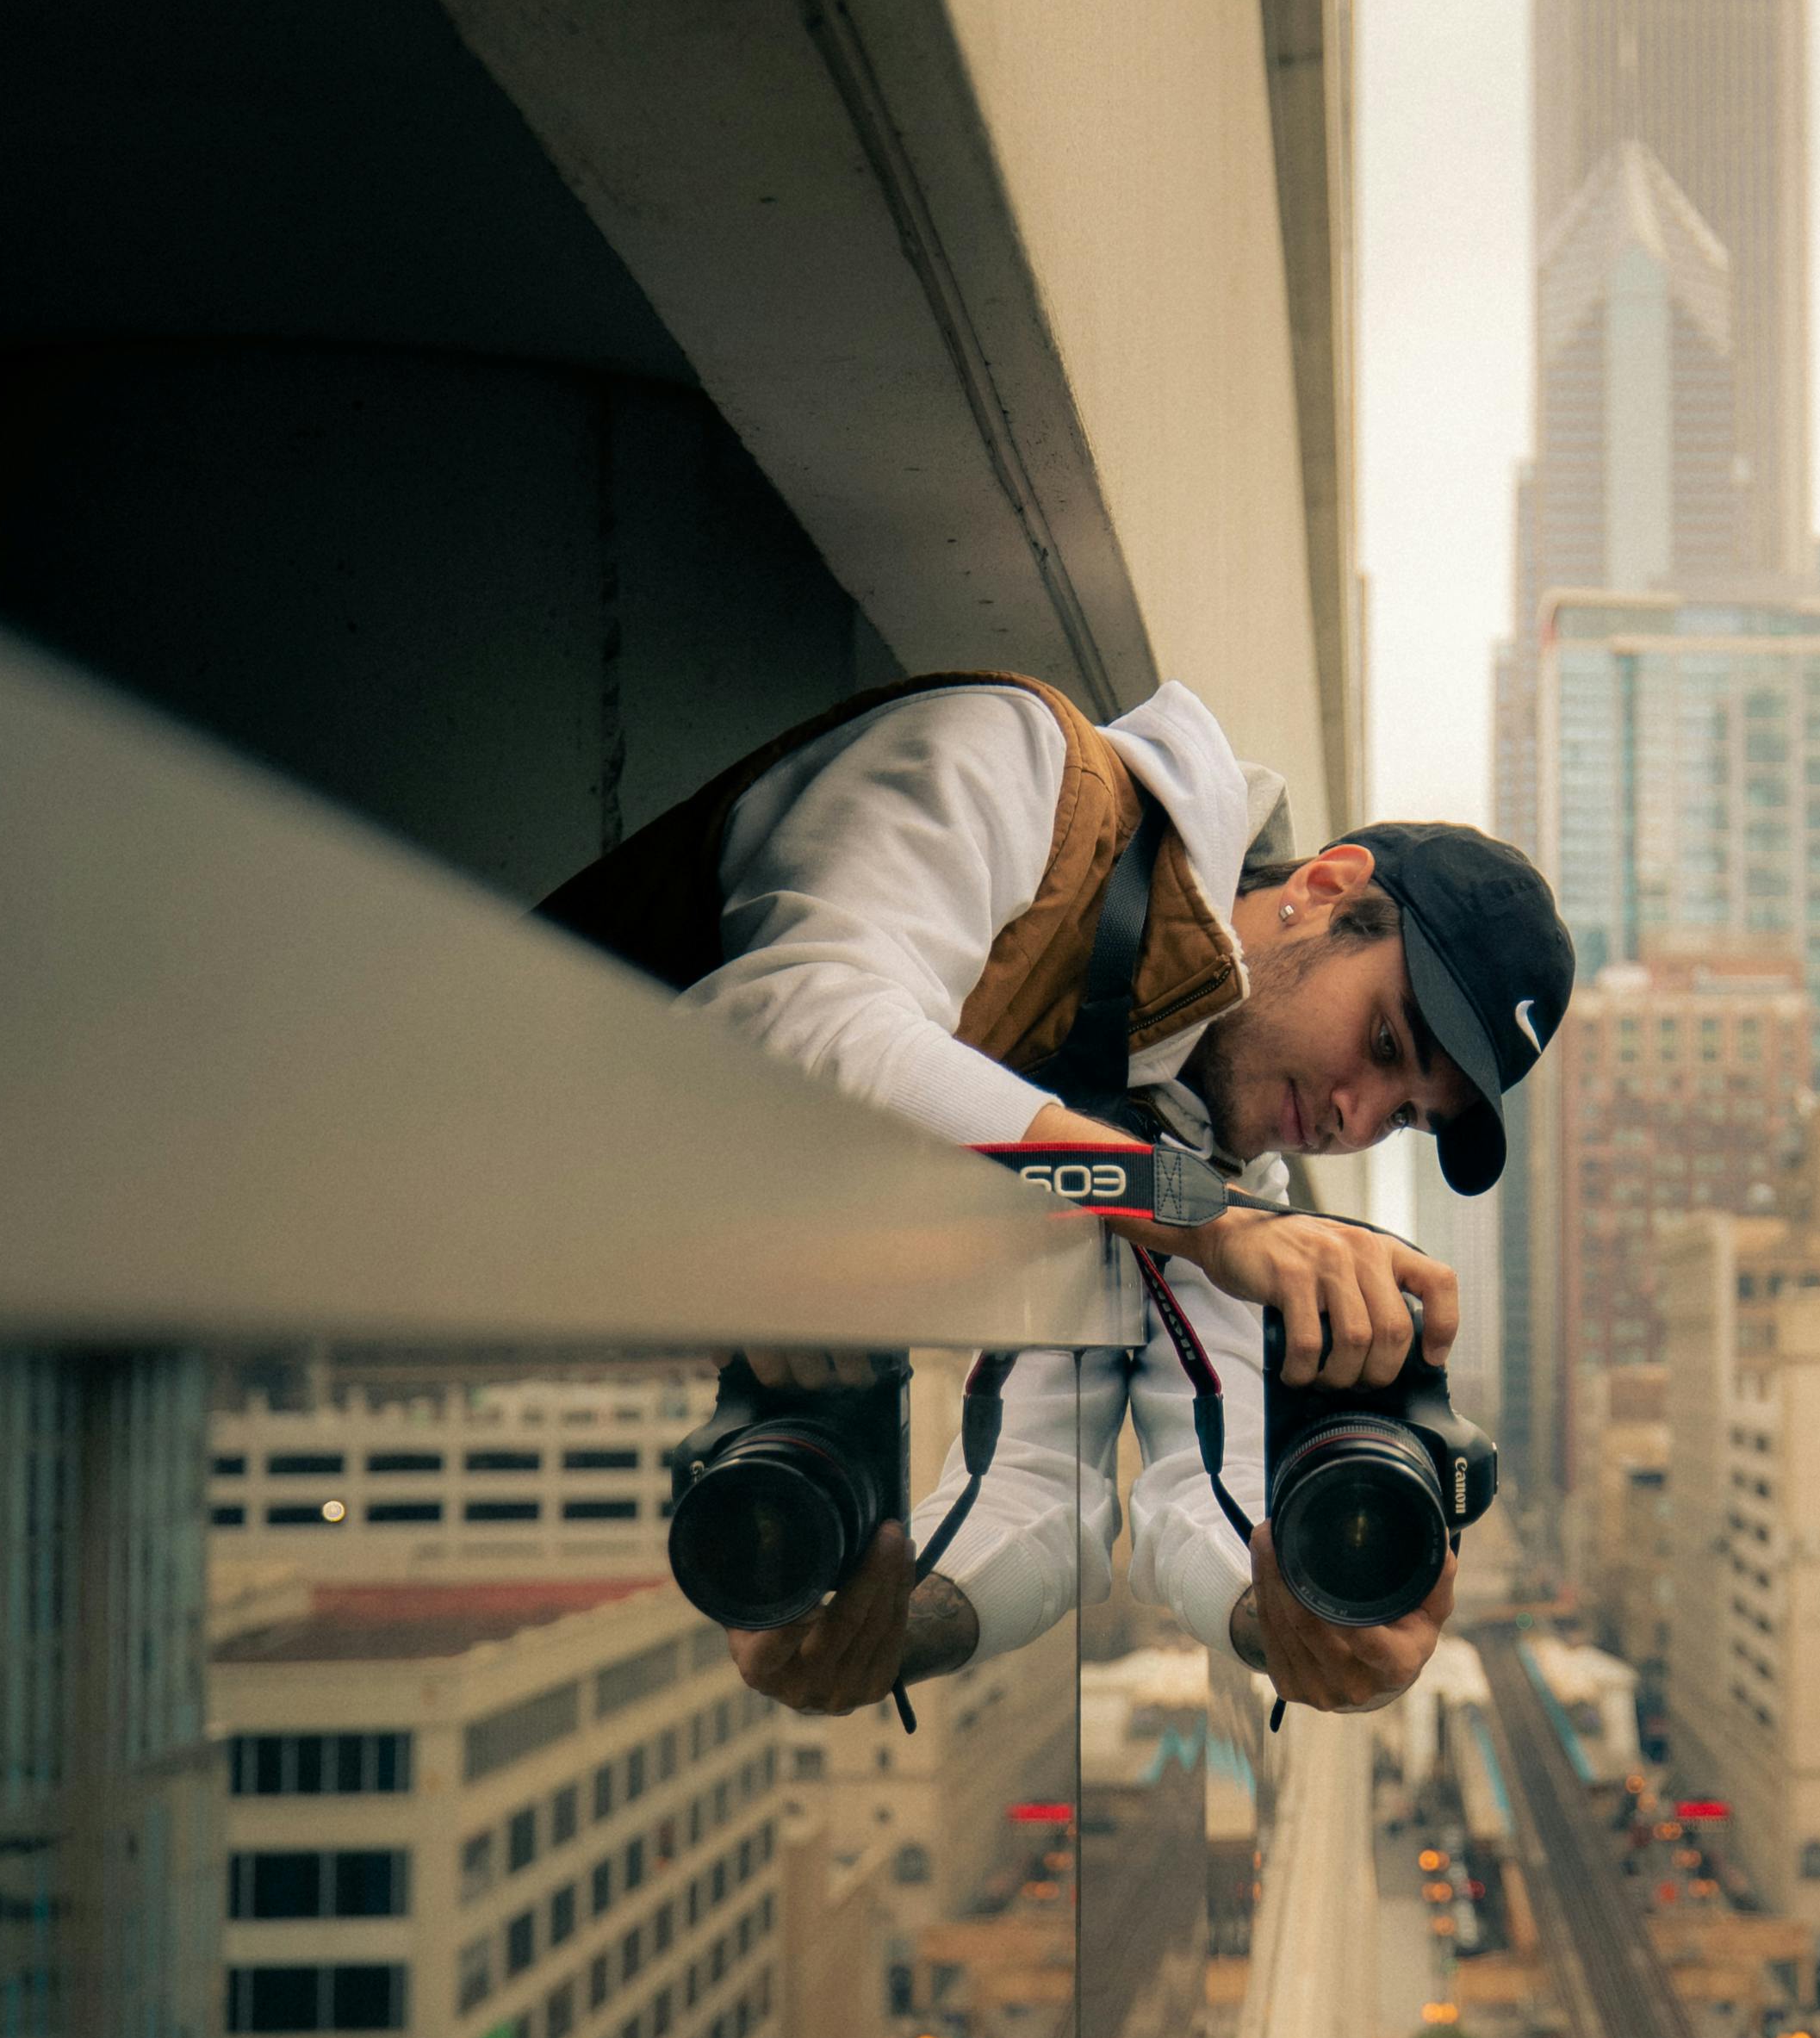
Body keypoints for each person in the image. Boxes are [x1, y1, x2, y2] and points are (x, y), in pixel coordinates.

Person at [542, 671, 1570, 1714]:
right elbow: (796, 1024)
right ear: (1328, 885)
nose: (1357, 1116)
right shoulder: (1021, 766)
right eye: (1386, 1042)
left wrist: (1297, 1621)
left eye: (1403, 1115)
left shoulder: (1196, 1142)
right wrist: (1195, 1220)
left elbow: (1077, 1488)